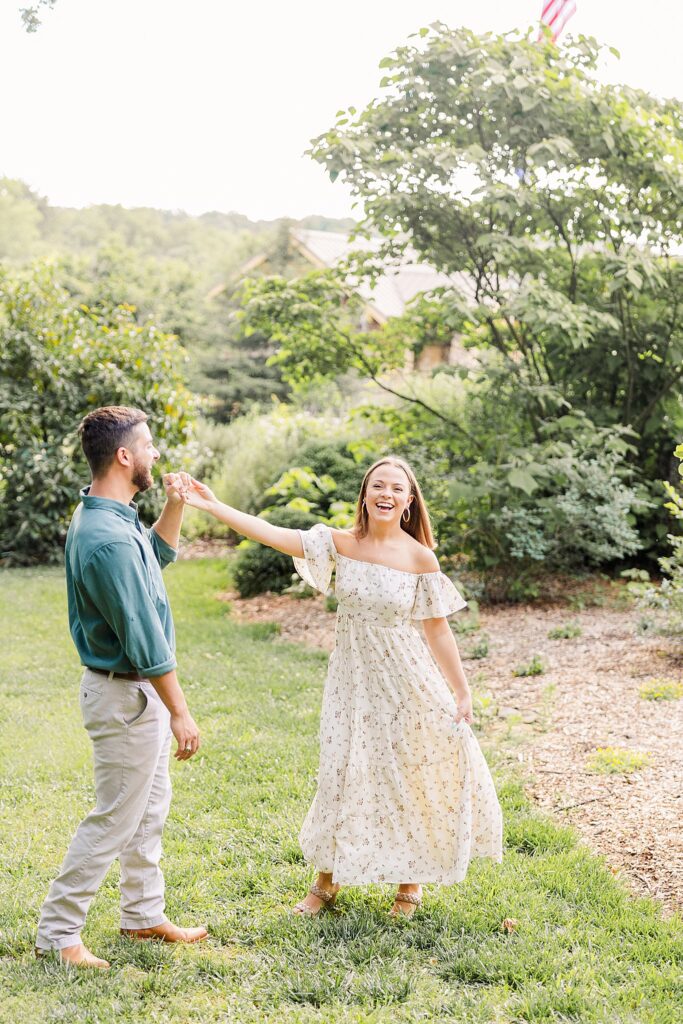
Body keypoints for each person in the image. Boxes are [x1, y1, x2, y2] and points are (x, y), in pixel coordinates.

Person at [185, 456, 502, 917]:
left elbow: (437, 630)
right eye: (378, 486)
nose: (386, 494)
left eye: (396, 488)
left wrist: (462, 689)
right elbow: (273, 534)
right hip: (352, 682)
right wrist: (215, 507)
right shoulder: (339, 544)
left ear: (409, 502)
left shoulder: (420, 558)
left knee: (407, 771)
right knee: (342, 770)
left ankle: (409, 885)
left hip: (406, 682)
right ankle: (326, 882)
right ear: (365, 495)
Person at [35, 406, 208, 969]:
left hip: (136, 696)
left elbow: (153, 558)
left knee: (149, 810)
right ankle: (58, 934)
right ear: (124, 456)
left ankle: (142, 915)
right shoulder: (105, 537)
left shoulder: (115, 515)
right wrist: (179, 711)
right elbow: (143, 634)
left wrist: (175, 506)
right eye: (149, 445)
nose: (156, 454)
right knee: (115, 817)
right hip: (127, 695)